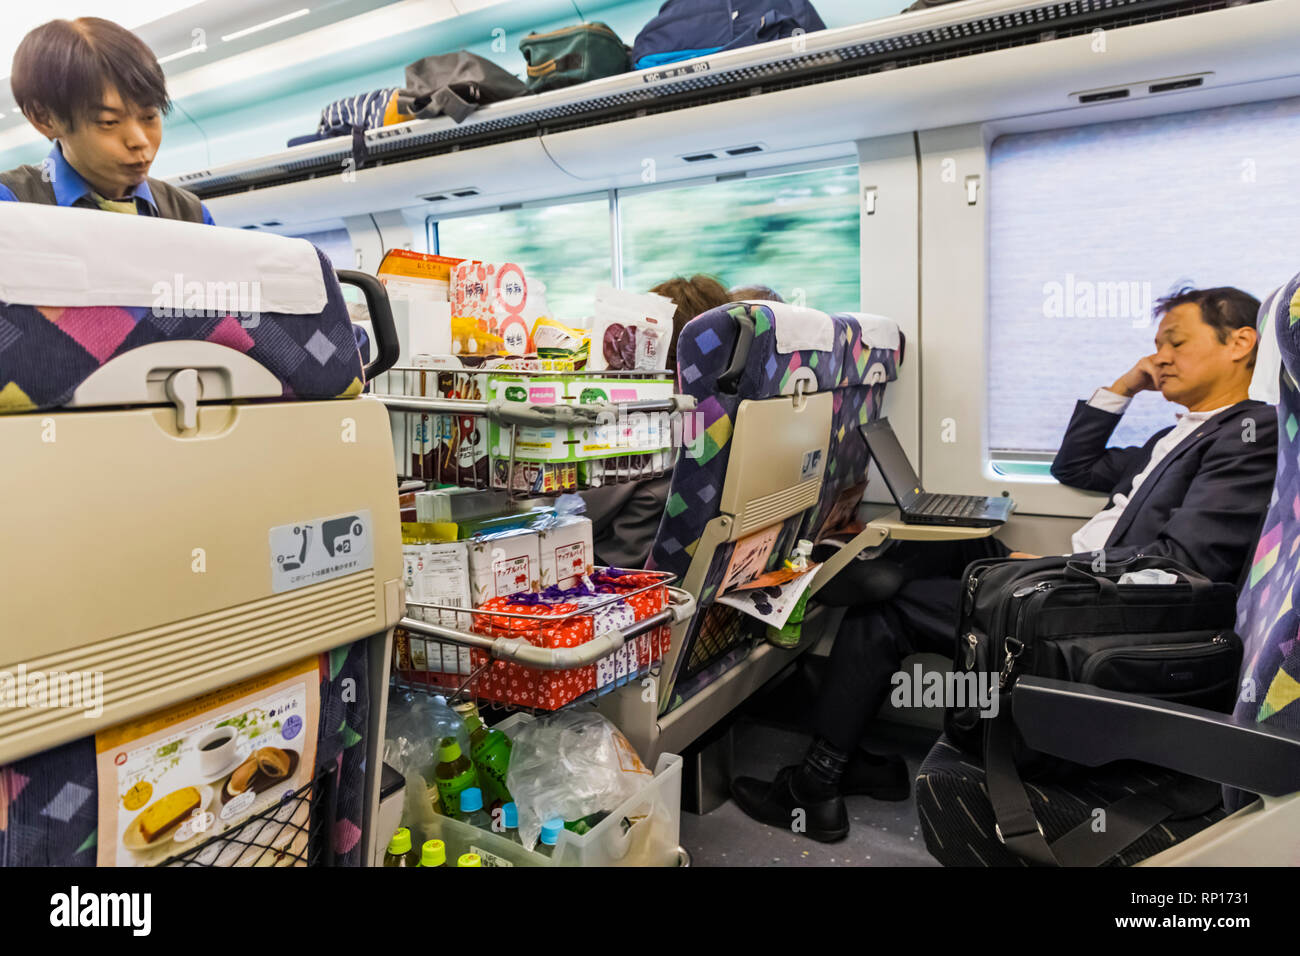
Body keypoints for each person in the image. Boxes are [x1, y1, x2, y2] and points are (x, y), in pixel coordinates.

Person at [731, 285, 1279, 842]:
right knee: (946, 540)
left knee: (886, 613)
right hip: (1071, 578)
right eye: (1155, 345)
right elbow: (1076, 465)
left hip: (1091, 608)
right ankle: (864, 608)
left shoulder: (1249, 436)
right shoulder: (1179, 431)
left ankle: (817, 786)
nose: (1158, 357)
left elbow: (1177, 567)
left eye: (1175, 342)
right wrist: (1123, 388)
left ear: (1240, 342)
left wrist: (1053, 568)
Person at [582, 274, 733, 567]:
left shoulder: (649, 413)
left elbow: (582, 513)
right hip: (697, 565)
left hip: (622, 568)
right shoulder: (725, 407)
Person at [0, 17, 213, 223]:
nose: (139, 141)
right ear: (44, 119)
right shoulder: (10, 203)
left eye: (149, 116)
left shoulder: (190, 213)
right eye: (109, 122)